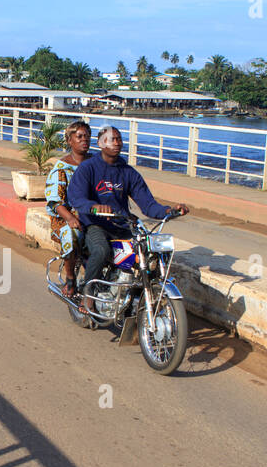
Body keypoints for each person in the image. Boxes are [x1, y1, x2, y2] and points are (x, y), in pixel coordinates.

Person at [66, 125, 188, 319]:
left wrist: (169, 210)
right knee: (101, 250)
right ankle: (87, 297)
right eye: (110, 139)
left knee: (149, 252)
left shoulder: (128, 172)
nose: (116, 143)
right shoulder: (88, 168)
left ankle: (137, 294)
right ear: (100, 143)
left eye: (118, 139)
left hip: (122, 225)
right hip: (95, 224)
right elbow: (76, 197)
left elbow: (148, 205)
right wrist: (95, 207)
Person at [45, 121, 91, 299]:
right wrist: (71, 218)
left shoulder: (96, 162)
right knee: (71, 237)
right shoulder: (61, 169)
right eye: (79, 136)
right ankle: (70, 279)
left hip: (93, 216)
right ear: (69, 141)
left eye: (87, 136)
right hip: (66, 218)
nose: (84, 140)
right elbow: (55, 202)